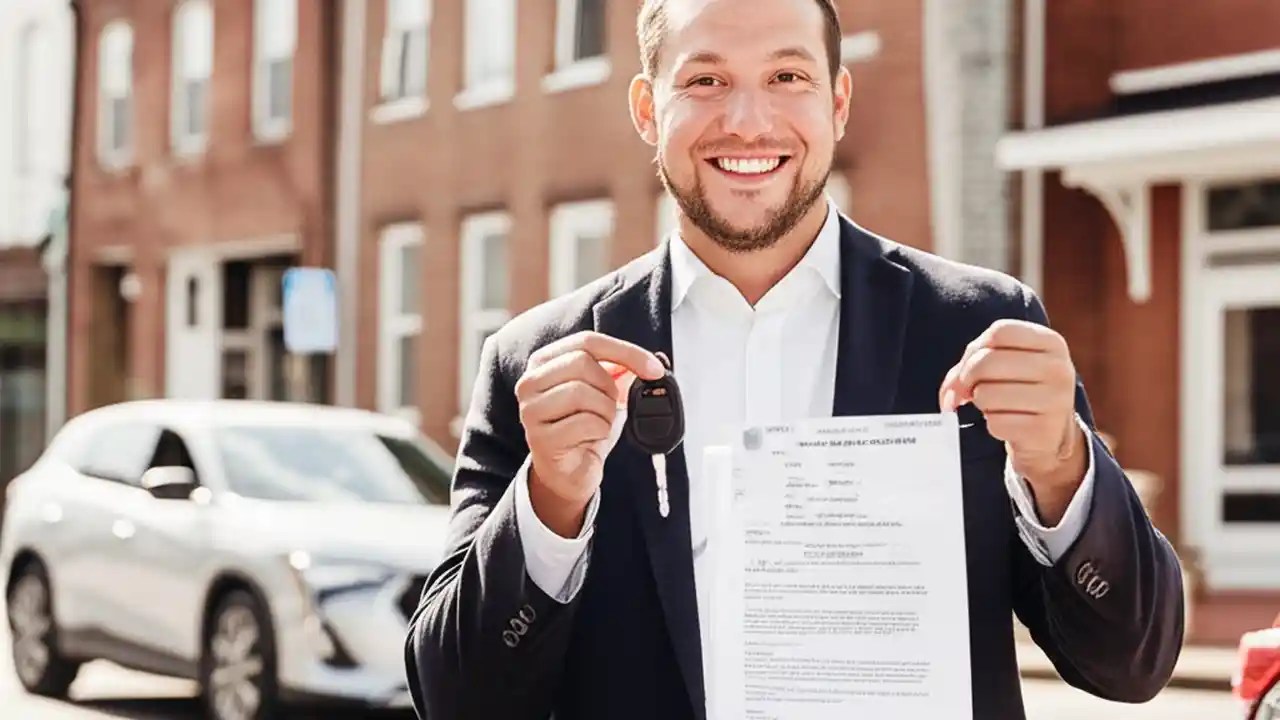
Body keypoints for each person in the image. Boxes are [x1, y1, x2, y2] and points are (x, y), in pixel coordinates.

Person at [404, 0, 1185, 718]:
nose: (749, 122)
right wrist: (549, 505)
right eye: (706, 79)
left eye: (788, 76)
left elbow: (1131, 662)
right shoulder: (537, 366)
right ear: (648, 109)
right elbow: (455, 697)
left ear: (837, 102)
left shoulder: (977, 329)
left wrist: (1061, 471)